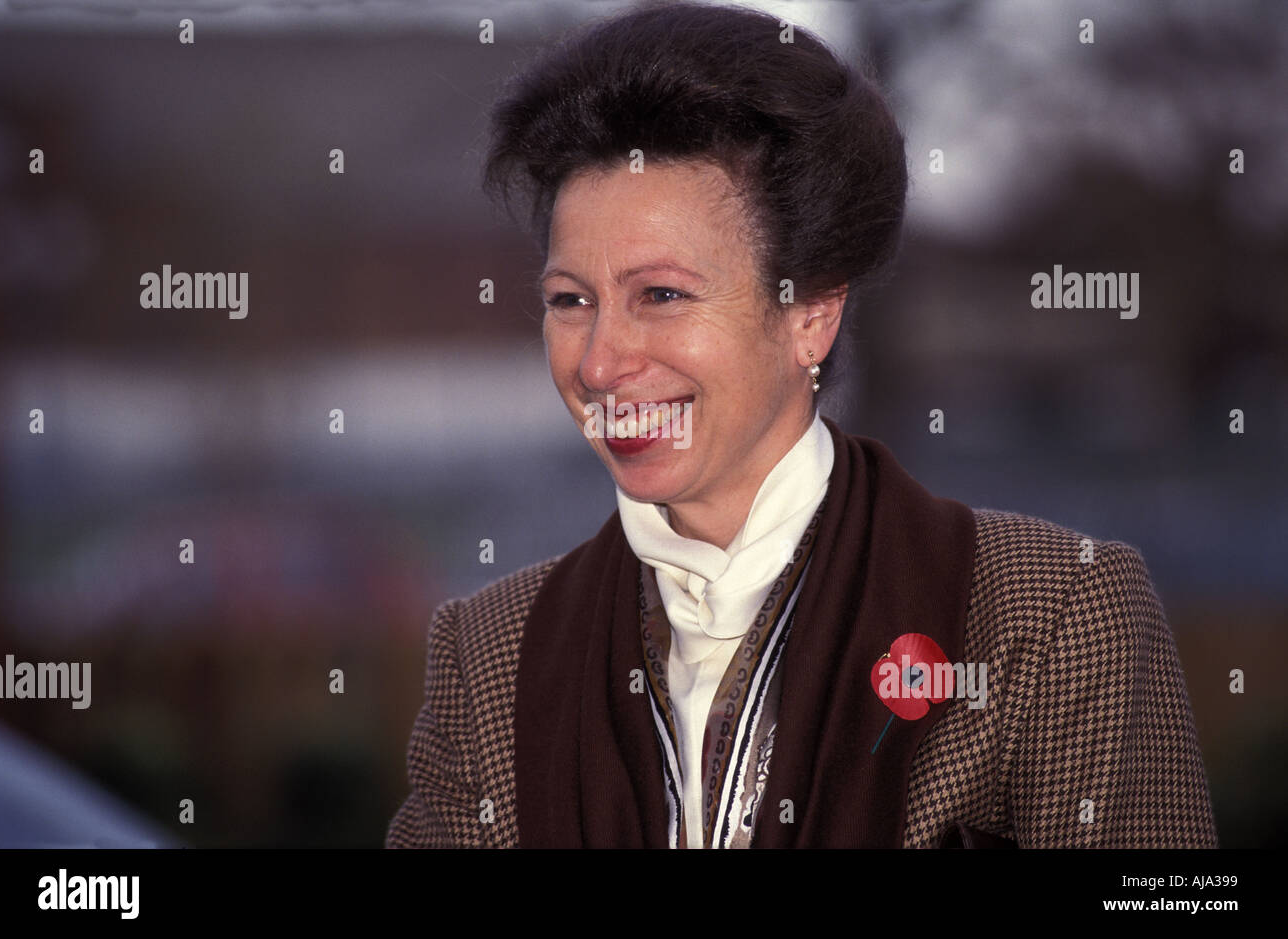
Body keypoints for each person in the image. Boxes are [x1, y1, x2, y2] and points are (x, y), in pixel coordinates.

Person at [386, 0, 1217, 848]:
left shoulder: (1050, 618)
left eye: (661, 295)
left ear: (810, 313)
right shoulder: (492, 653)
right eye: (571, 301)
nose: (600, 362)